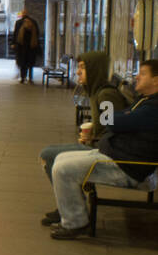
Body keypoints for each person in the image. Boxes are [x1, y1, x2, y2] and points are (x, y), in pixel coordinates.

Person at [46, 58, 158, 239]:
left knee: (62, 169)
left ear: (156, 80)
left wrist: (121, 116)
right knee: (59, 160)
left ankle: (75, 222)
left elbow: (110, 121)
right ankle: (72, 213)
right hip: (118, 155)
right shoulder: (145, 101)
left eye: (143, 74)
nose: (137, 77)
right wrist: (123, 116)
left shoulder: (152, 108)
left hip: (129, 167)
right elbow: (119, 118)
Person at [39, 51, 128, 224]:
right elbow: (107, 123)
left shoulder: (106, 96)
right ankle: (68, 205)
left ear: (94, 69)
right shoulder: (97, 92)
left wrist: (93, 138)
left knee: (49, 155)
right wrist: (93, 132)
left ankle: (70, 208)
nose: (78, 72)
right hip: (101, 145)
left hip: (106, 151)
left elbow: (114, 126)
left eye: (83, 68)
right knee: (49, 154)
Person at [11, 9, 40, 83]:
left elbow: (15, 34)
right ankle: (30, 78)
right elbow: (37, 34)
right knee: (30, 63)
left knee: (22, 62)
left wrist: (13, 43)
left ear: (22, 14)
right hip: (32, 46)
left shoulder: (18, 22)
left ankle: (22, 78)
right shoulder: (34, 22)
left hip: (21, 46)